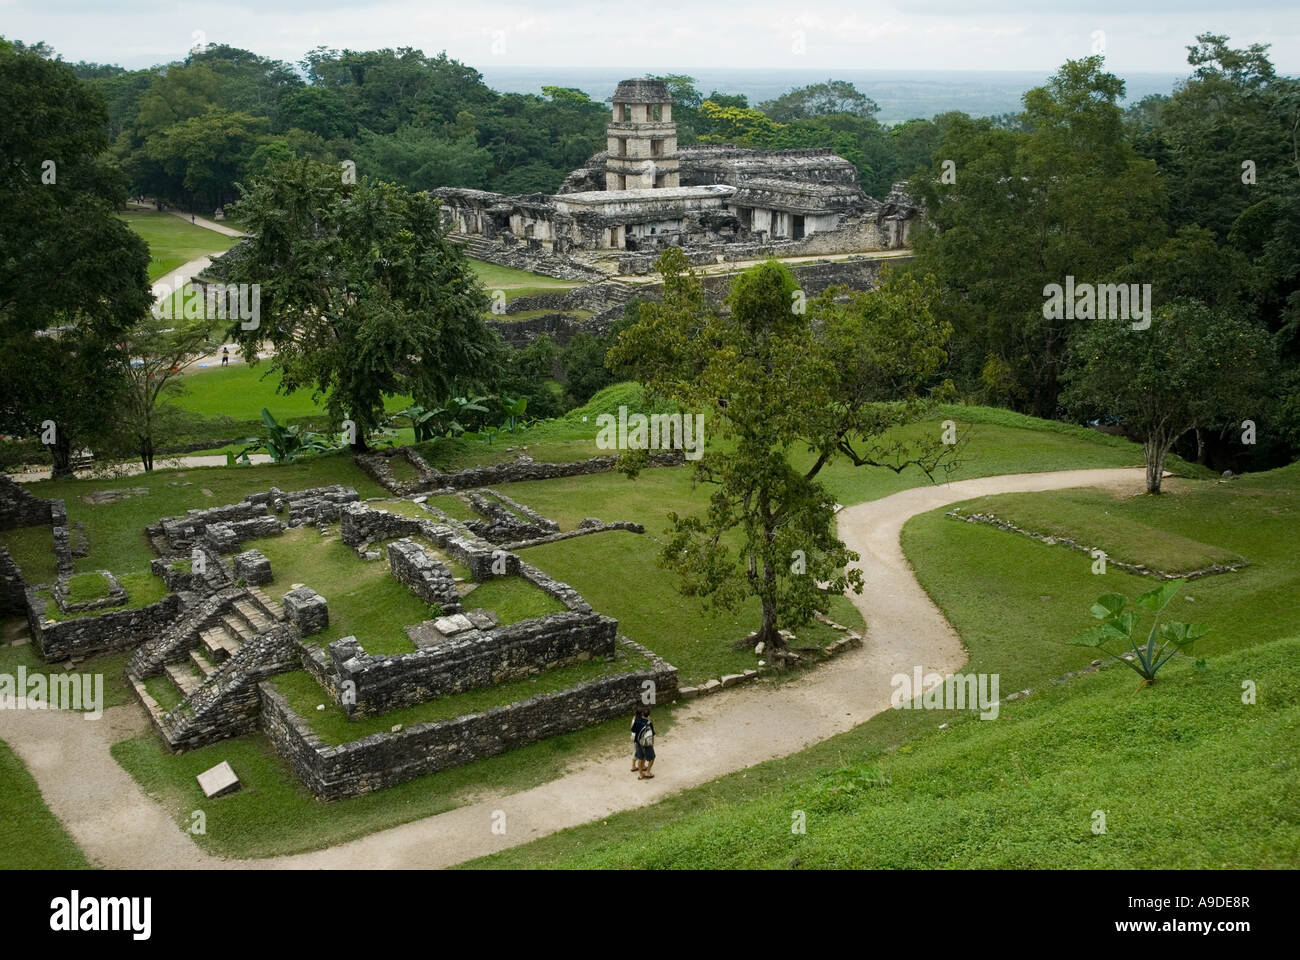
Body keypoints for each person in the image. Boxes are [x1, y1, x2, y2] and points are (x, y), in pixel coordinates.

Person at [635, 706, 655, 780]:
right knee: (652, 758)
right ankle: (648, 772)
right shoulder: (649, 723)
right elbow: (652, 734)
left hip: (638, 742)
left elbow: (634, 731)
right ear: (648, 715)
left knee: (640, 758)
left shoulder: (637, 721)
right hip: (647, 743)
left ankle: (640, 774)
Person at [630, 707, 647, 773]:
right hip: (639, 737)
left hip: (633, 736)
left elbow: (631, 727)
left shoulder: (634, 718)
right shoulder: (641, 720)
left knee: (636, 750)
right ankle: (641, 766)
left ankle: (634, 766)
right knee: (642, 751)